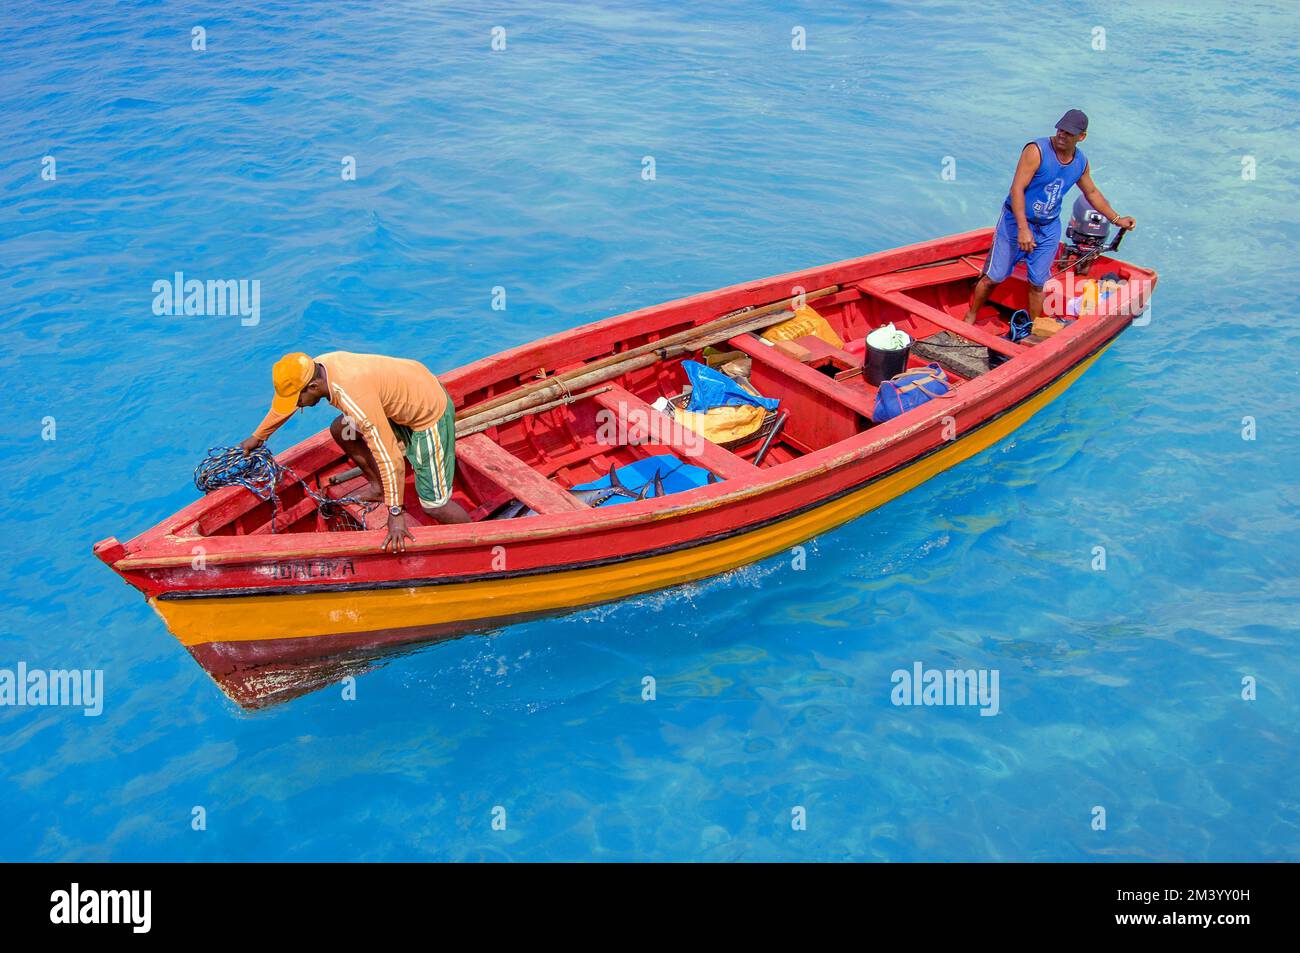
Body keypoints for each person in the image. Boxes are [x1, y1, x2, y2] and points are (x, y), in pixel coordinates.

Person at [239, 351, 470, 553]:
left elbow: (390, 458)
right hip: (396, 399)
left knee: (435, 505)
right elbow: (288, 404)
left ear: (313, 387)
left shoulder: (353, 395)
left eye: (298, 400)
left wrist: (396, 513)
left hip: (427, 412)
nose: (297, 405)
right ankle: (379, 488)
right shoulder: (317, 367)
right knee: (342, 429)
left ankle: (476, 539)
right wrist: (259, 436)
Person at [963, 109, 1136, 329]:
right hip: (1015, 222)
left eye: (1069, 133)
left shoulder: (1080, 162)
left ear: (1081, 137)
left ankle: (1035, 328)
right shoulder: (1036, 151)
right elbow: (1017, 189)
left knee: (1038, 283)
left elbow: (1091, 192)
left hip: (1048, 226)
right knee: (994, 277)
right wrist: (1023, 228)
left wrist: (1116, 218)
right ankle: (970, 316)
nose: (1062, 135)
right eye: (1060, 129)